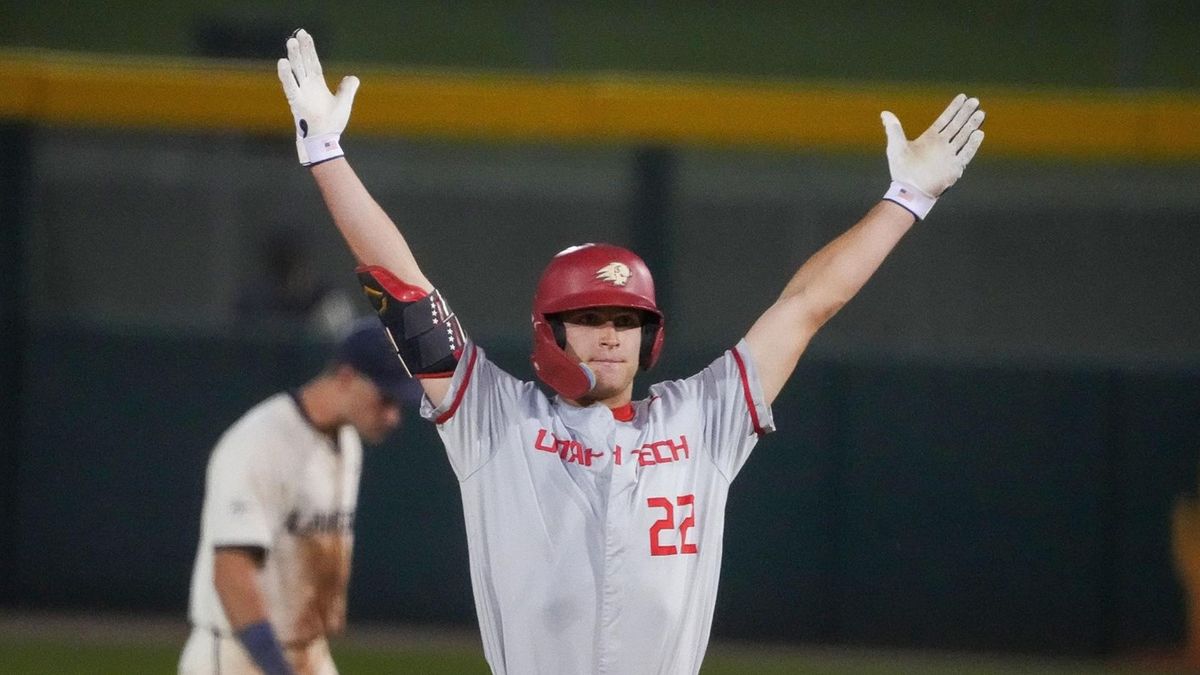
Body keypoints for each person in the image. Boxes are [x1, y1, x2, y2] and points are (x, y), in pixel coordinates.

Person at [276, 28, 985, 675]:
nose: (610, 333)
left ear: (651, 334)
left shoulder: (702, 420)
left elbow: (806, 304)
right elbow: (405, 290)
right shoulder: (493, 419)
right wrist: (325, 154)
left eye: (625, 317)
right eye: (587, 317)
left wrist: (907, 197)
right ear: (549, 331)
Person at [179, 317, 416, 675]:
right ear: (346, 377)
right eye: (385, 398)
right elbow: (231, 574)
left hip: (307, 653)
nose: (393, 415)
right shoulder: (260, 443)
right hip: (237, 655)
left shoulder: (347, 442)